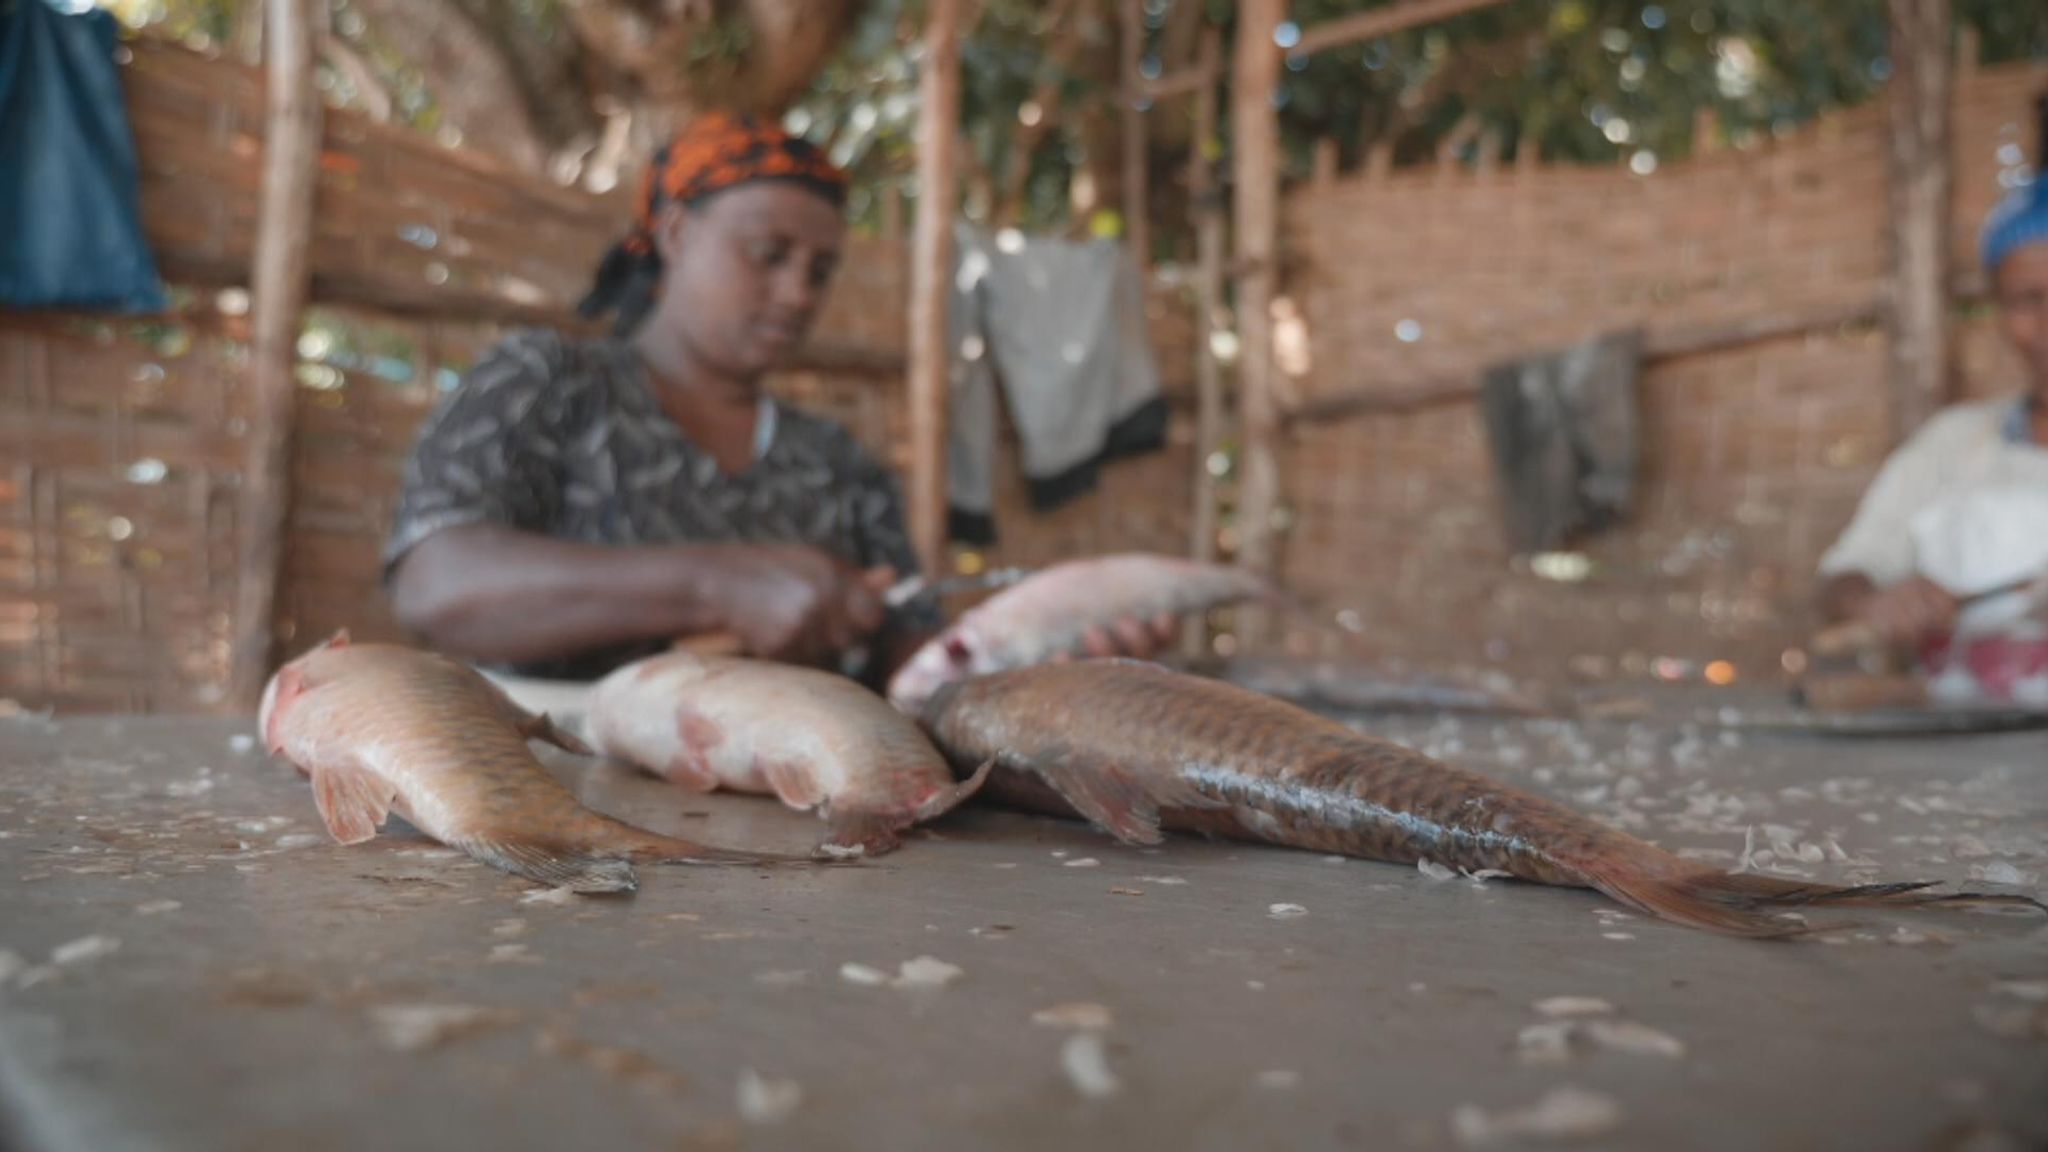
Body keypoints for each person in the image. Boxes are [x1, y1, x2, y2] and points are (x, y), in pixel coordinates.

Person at [384, 114, 1173, 684]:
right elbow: (436, 582)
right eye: (768, 254)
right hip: (538, 802)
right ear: (676, 235)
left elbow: (910, 658)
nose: (798, 293)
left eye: (820, 271)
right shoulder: (549, 382)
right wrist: (717, 586)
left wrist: (1030, 654)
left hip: (778, 828)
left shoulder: (833, 461)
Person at [1815, 151, 2048, 702]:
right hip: (1955, 747)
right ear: (1998, 311)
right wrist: (1872, 603)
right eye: (2029, 299)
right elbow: (1842, 578)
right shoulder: (1952, 442)